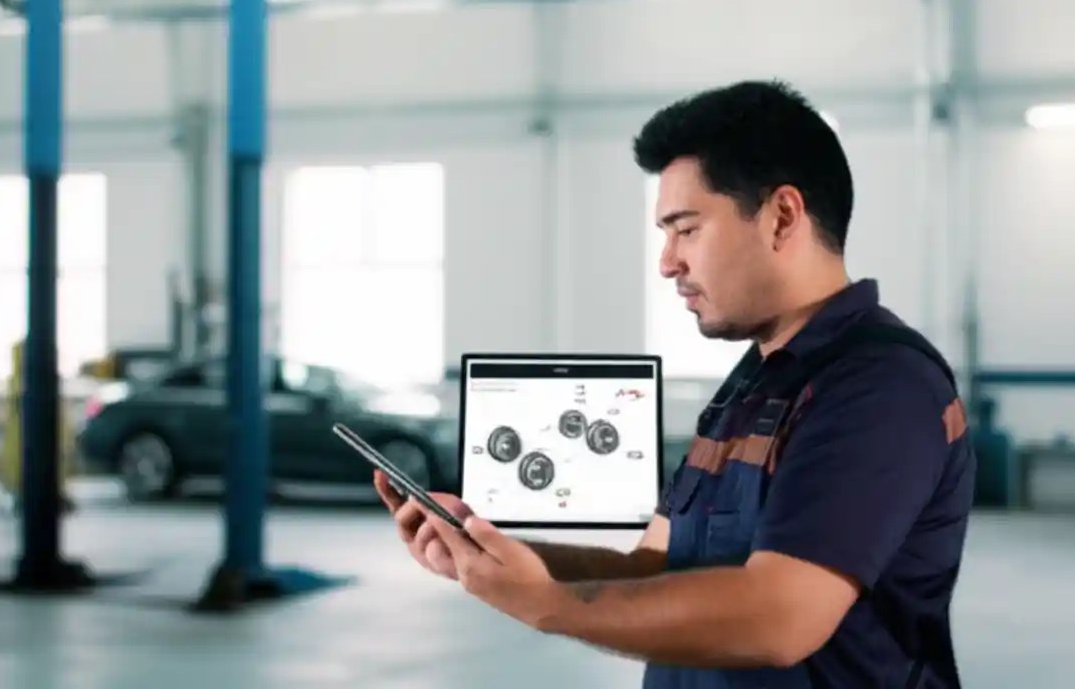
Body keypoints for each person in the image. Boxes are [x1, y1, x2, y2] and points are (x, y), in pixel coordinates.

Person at [376, 79, 975, 688]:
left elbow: (780, 618)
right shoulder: (753, 384)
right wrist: (497, 556)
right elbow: (657, 567)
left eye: (686, 229)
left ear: (782, 216)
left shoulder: (879, 388)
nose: (668, 261)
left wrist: (545, 605)